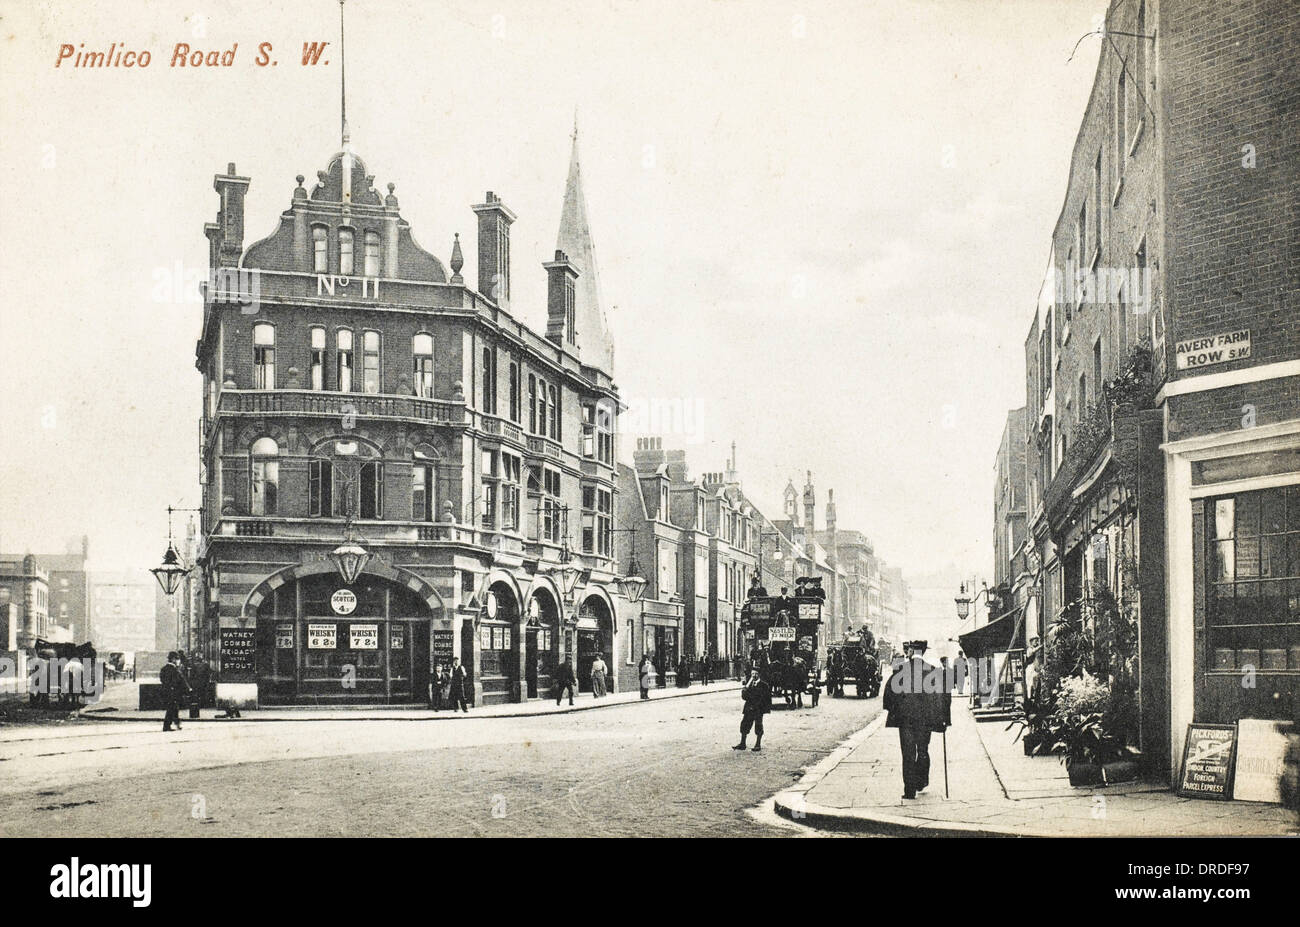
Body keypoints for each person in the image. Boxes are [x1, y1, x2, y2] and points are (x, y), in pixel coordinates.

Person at [882, 640, 952, 800]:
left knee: (907, 754)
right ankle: (921, 781)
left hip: (905, 720)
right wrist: (944, 719)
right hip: (925, 720)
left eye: (909, 650)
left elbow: (889, 694)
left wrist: (894, 710)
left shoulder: (901, 670)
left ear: (912, 651)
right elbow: (943, 696)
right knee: (922, 750)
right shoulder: (933, 671)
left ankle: (909, 791)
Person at [733, 667, 771, 752]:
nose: (754, 676)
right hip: (748, 708)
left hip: (758, 709)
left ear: (759, 675)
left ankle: (758, 744)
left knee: (758, 726)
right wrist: (746, 687)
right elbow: (744, 697)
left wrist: (763, 709)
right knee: (744, 725)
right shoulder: (749, 684)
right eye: (752, 674)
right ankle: (743, 744)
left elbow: (765, 699)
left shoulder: (764, 685)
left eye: (756, 674)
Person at [160, 651, 191, 733]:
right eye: (177, 659)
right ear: (173, 659)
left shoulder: (164, 669)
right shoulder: (173, 670)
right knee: (172, 708)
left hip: (168, 692)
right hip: (173, 692)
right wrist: (187, 689)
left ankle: (175, 723)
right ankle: (167, 726)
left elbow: (163, 680)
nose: (178, 661)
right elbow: (179, 681)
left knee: (174, 708)